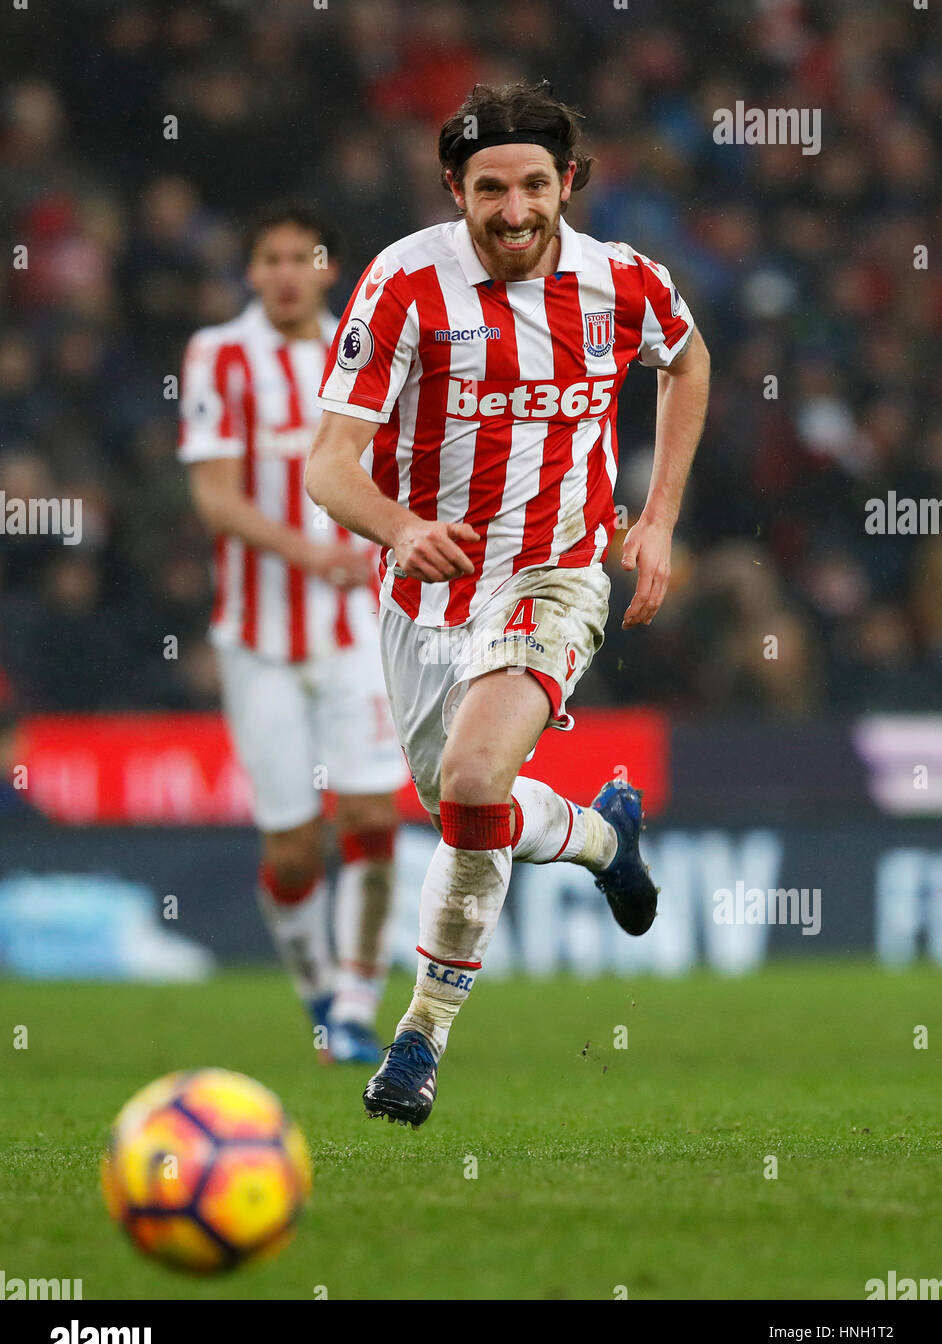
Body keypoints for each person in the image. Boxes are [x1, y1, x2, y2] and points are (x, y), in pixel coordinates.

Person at [305, 81, 710, 1124]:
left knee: (479, 776)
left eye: (535, 183)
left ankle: (418, 1040)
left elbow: (686, 357)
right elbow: (327, 466)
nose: (514, 208)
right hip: (424, 588)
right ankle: (602, 840)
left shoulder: (622, 283)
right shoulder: (402, 283)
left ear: (567, 182)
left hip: (554, 571)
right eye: (490, 188)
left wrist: (656, 516)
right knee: (462, 807)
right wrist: (398, 526)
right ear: (455, 189)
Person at [178, 204, 406, 1064]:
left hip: (355, 629)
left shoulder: (363, 350)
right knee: (294, 848)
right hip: (258, 639)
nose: (282, 272)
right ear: (249, 271)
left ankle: (355, 1002)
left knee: (371, 811)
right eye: (267, 257)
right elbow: (214, 497)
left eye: (299, 258)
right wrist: (314, 555)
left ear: (326, 270)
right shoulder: (219, 355)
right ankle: (316, 987)